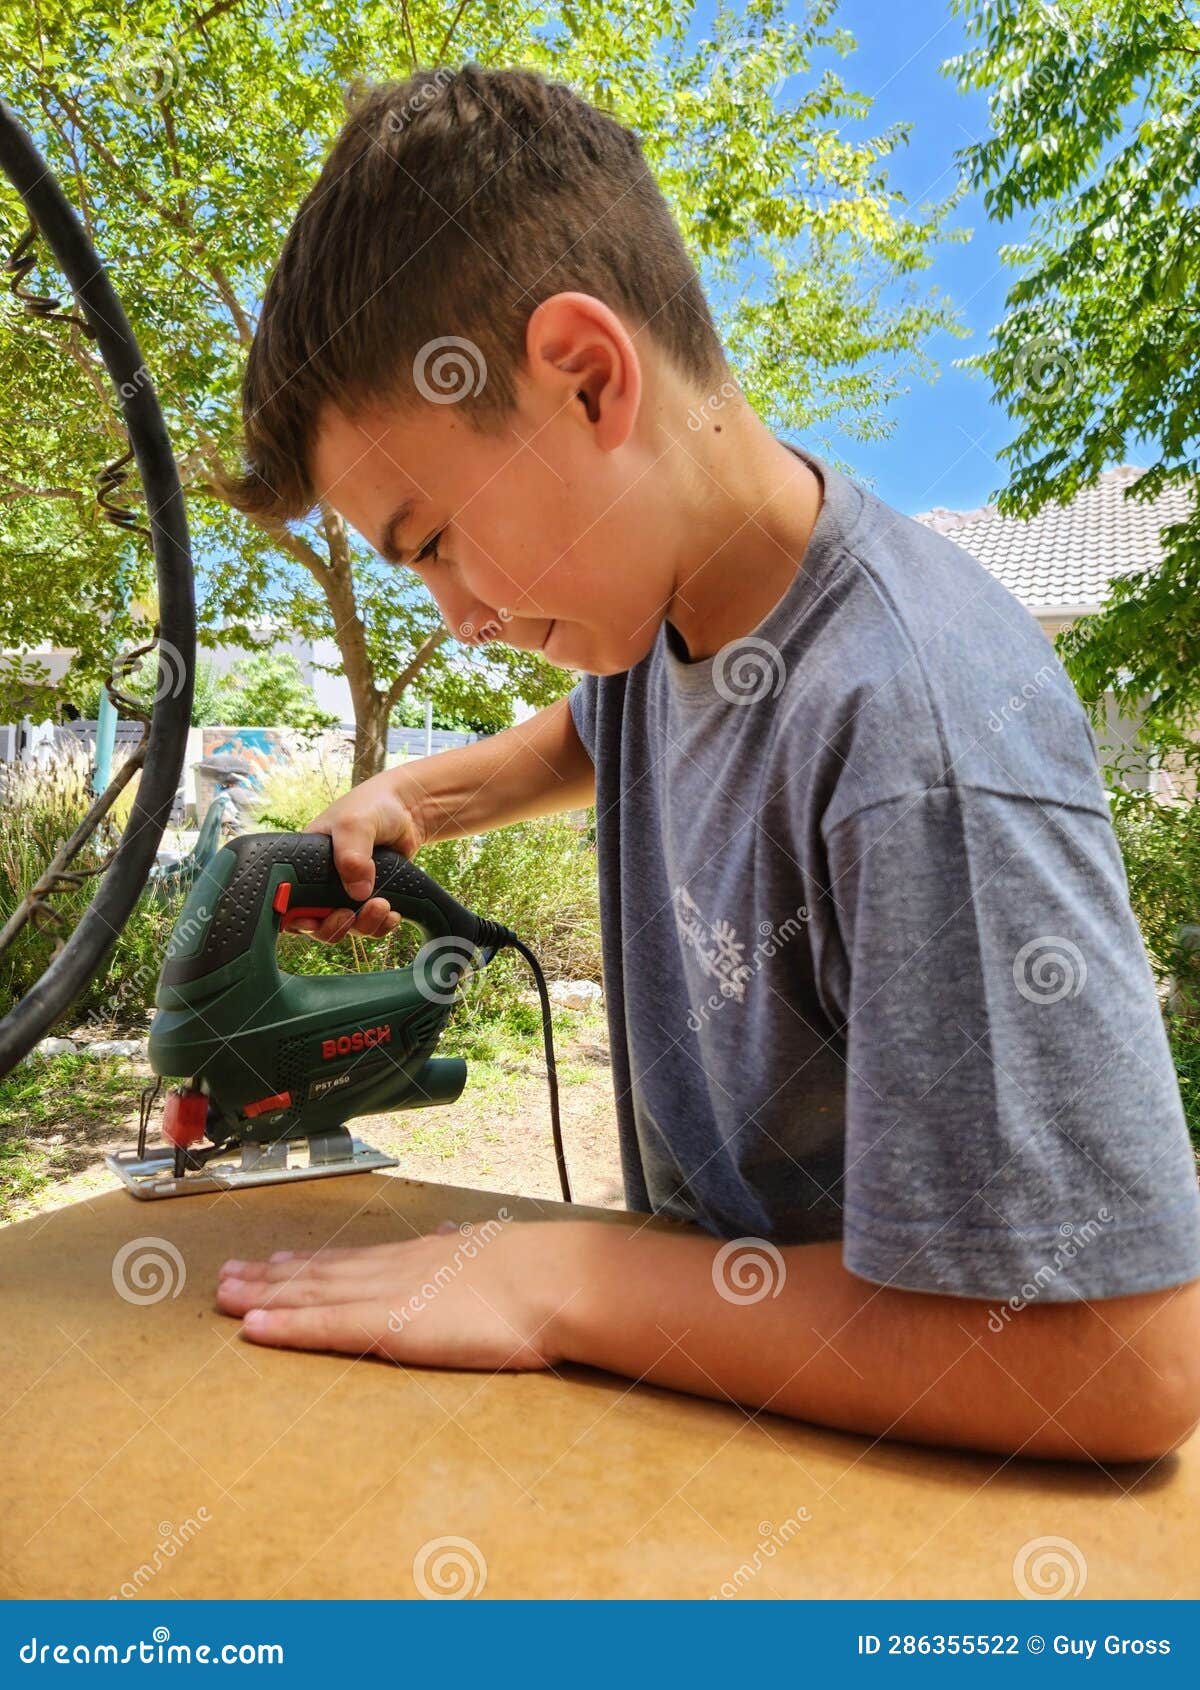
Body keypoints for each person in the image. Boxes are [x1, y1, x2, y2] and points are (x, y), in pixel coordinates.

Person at [215, 65, 1200, 1461]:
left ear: (588, 374)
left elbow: (1122, 1361)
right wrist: (420, 797)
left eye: (430, 541)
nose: (462, 614)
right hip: (729, 1437)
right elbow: (601, 728)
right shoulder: (669, 614)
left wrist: (566, 1277)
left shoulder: (916, 727)